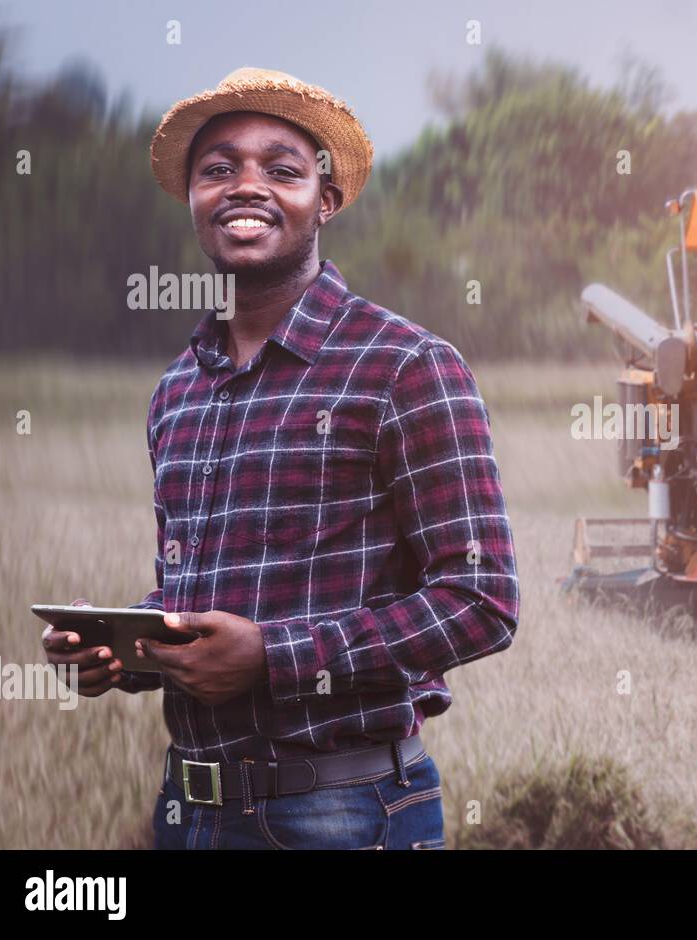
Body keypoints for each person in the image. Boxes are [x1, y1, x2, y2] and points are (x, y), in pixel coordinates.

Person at [39, 68, 519, 849]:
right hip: (187, 812)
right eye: (218, 169)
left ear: (325, 201)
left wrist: (271, 658)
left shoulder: (405, 366)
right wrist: (125, 648)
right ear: (192, 198)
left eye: (284, 170)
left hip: (342, 812)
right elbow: (211, 590)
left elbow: (482, 600)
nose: (246, 186)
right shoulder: (177, 393)